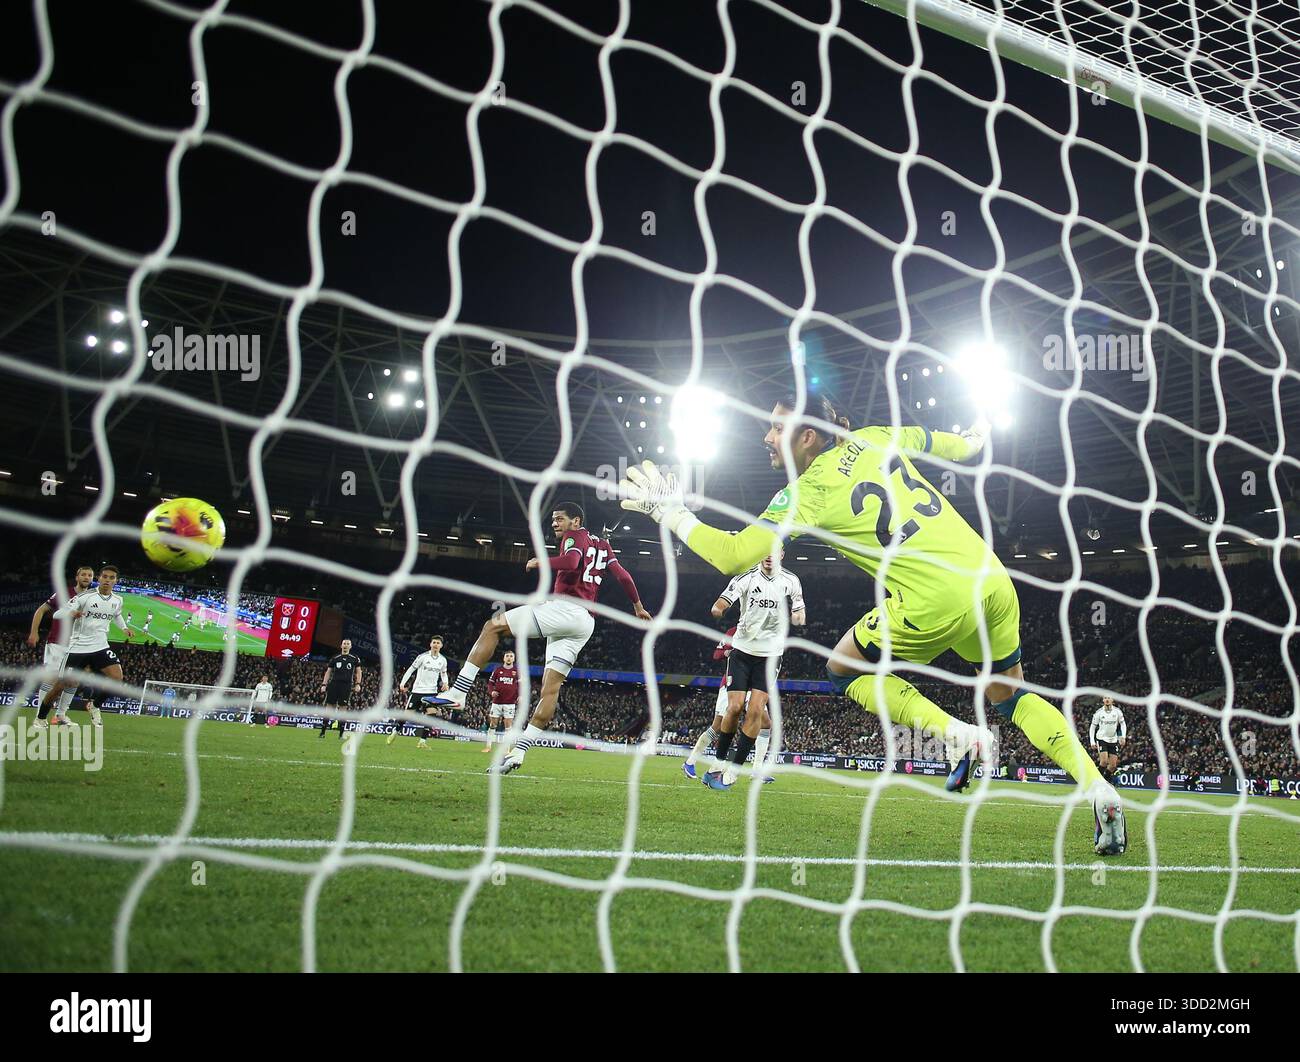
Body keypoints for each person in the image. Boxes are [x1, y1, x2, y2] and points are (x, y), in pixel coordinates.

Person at [619, 389, 1126, 855]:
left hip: (934, 597)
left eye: (777, 428)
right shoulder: (876, 437)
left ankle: (956, 734)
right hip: (991, 578)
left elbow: (732, 555)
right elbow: (956, 447)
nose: (767, 438)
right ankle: (1097, 788)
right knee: (1009, 694)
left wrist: (672, 514)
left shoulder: (808, 490)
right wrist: (976, 434)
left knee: (841, 670)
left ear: (808, 436)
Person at [442, 502, 651, 776]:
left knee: (492, 627)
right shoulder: (603, 546)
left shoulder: (574, 537)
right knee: (550, 690)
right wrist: (637, 606)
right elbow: (623, 575)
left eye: (560, 519)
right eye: (553, 520)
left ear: (576, 521)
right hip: (585, 623)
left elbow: (573, 562)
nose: (555, 524)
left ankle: (458, 692)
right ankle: (518, 752)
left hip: (565, 609)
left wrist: (542, 561)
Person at [701, 550, 805, 789]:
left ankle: (733, 770)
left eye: (774, 551)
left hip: (770, 656)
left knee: (756, 711)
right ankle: (718, 762)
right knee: (735, 707)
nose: (769, 555)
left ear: (782, 554)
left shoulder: (791, 581)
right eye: (764, 551)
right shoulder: (745, 578)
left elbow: (799, 609)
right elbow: (723, 601)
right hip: (741, 652)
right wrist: (718, 609)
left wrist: (798, 616)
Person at [34, 565, 132, 730]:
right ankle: (41, 717)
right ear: (99, 579)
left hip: (100, 646)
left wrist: (124, 628)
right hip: (78, 648)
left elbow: (116, 614)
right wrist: (70, 613)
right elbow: (58, 614)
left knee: (117, 678)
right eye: (105, 577)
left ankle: (95, 705)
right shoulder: (85, 597)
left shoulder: (118, 600)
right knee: (61, 685)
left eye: (111, 578)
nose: (108, 580)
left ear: (116, 581)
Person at [27, 565, 97, 725]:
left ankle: (60, 715)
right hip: (58, 642)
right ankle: (40, 717)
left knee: (73, 680)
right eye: (84, 574)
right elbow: (41, 610)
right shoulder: (64, 593)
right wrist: (34, 632)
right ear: (77, 577)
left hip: (79, 645)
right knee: (51, 678)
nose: (87, 577)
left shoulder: (93, 598)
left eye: (90, 575)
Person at [389, 636, 450, 749]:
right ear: (430, 644)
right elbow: (411, 669)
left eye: (438, 643)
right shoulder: (422, 657)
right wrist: (403, 683)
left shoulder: (443, 660)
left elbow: (444, 674)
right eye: (434, 642)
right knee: (407, 716)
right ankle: (395, 731)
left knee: (431, 716)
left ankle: (422, 741)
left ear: (441, 646)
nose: (436, 645)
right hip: (418, 691)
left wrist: (445, 683)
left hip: (432, 692)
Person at [318, 639, 361, 740]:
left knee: (343, 709)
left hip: (346, 686)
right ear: (341, 646)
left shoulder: (354, 658)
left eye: (348, 644)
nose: (346, 645)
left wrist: (358, 684)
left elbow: (359, 672)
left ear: (350, 646)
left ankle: (341, 734)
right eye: (344, 644)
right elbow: (328, 672)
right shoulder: (335, 657)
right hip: (334, 684)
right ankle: (322, 732)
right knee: (329, 708)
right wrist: (324, 684)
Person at [483, 650, 521, 751]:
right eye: (507, 656)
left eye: (511, 656)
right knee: (493, 724)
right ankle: (488, 746)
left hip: (510, 703)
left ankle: (506, 749)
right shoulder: (497, 670)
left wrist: (520, 696)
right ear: (504, 658)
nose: (509, 658)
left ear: (514, 658)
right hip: (497, 702)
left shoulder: (517, 671)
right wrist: (492, 692)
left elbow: (521, 685)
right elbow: (490, 684)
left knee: (508, 726)